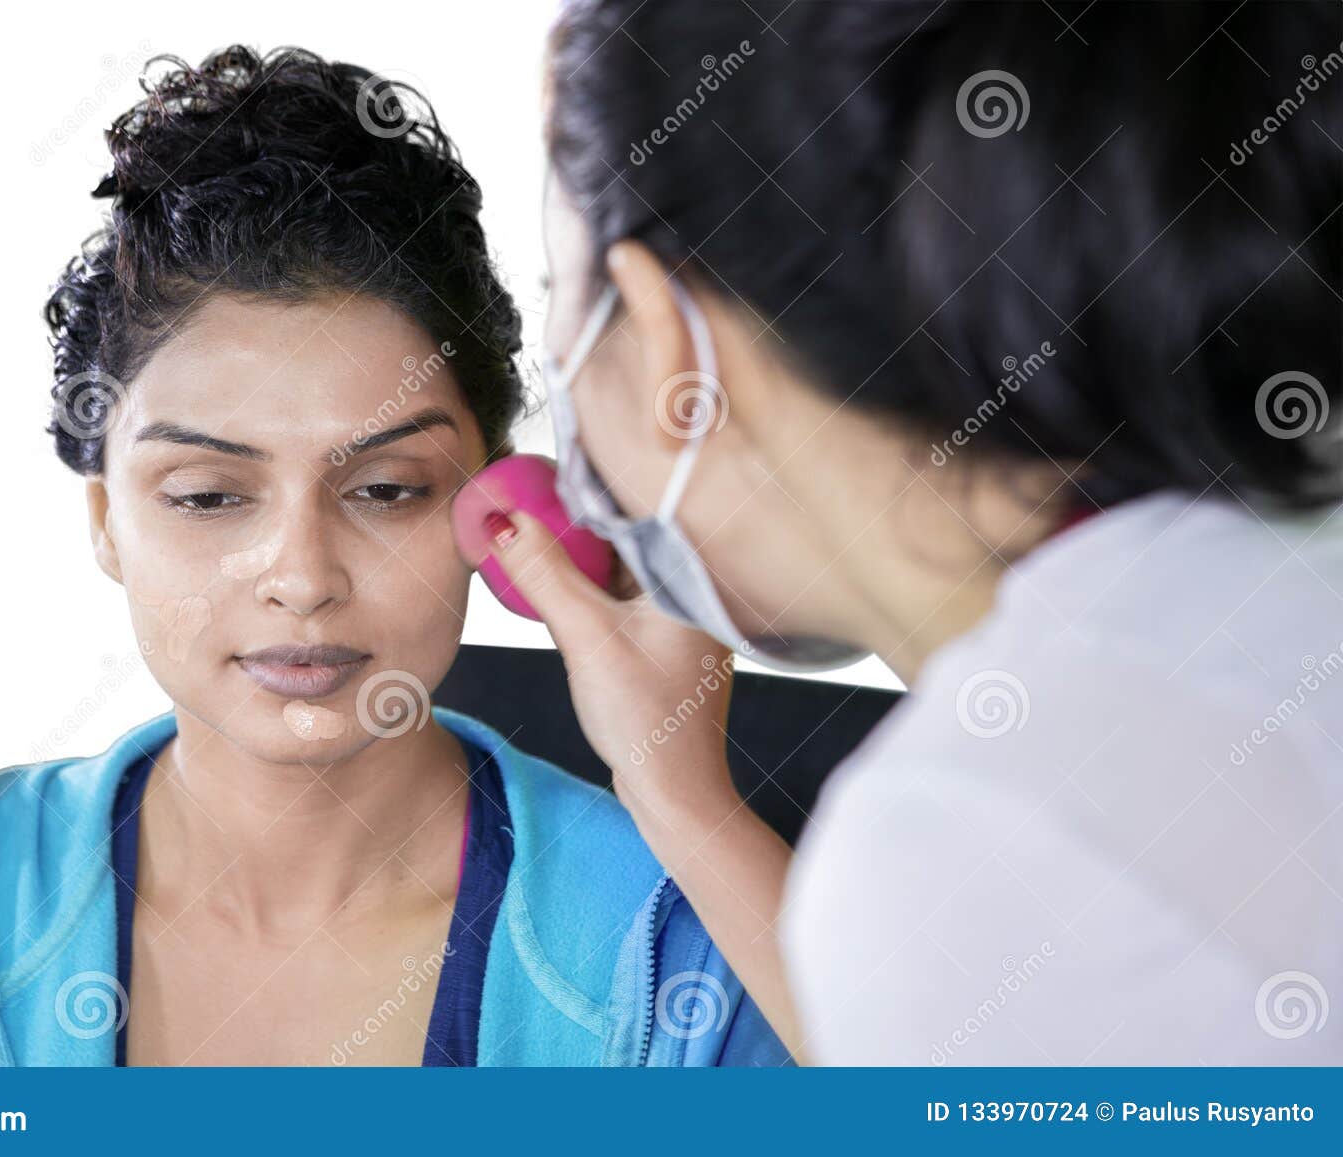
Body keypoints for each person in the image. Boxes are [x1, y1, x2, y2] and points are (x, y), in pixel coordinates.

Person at [0, 45, 788, 1068]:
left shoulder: (684, 949)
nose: (304, 578)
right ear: (106, 518)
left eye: (387, 489)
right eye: (208, 496)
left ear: (494, 509)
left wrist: (686, 802)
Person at [474, 0, 1343, 1062]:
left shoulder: (971, 832)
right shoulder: (1249, 563)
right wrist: (676, 789)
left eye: (560, 294)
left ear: (671, 349)